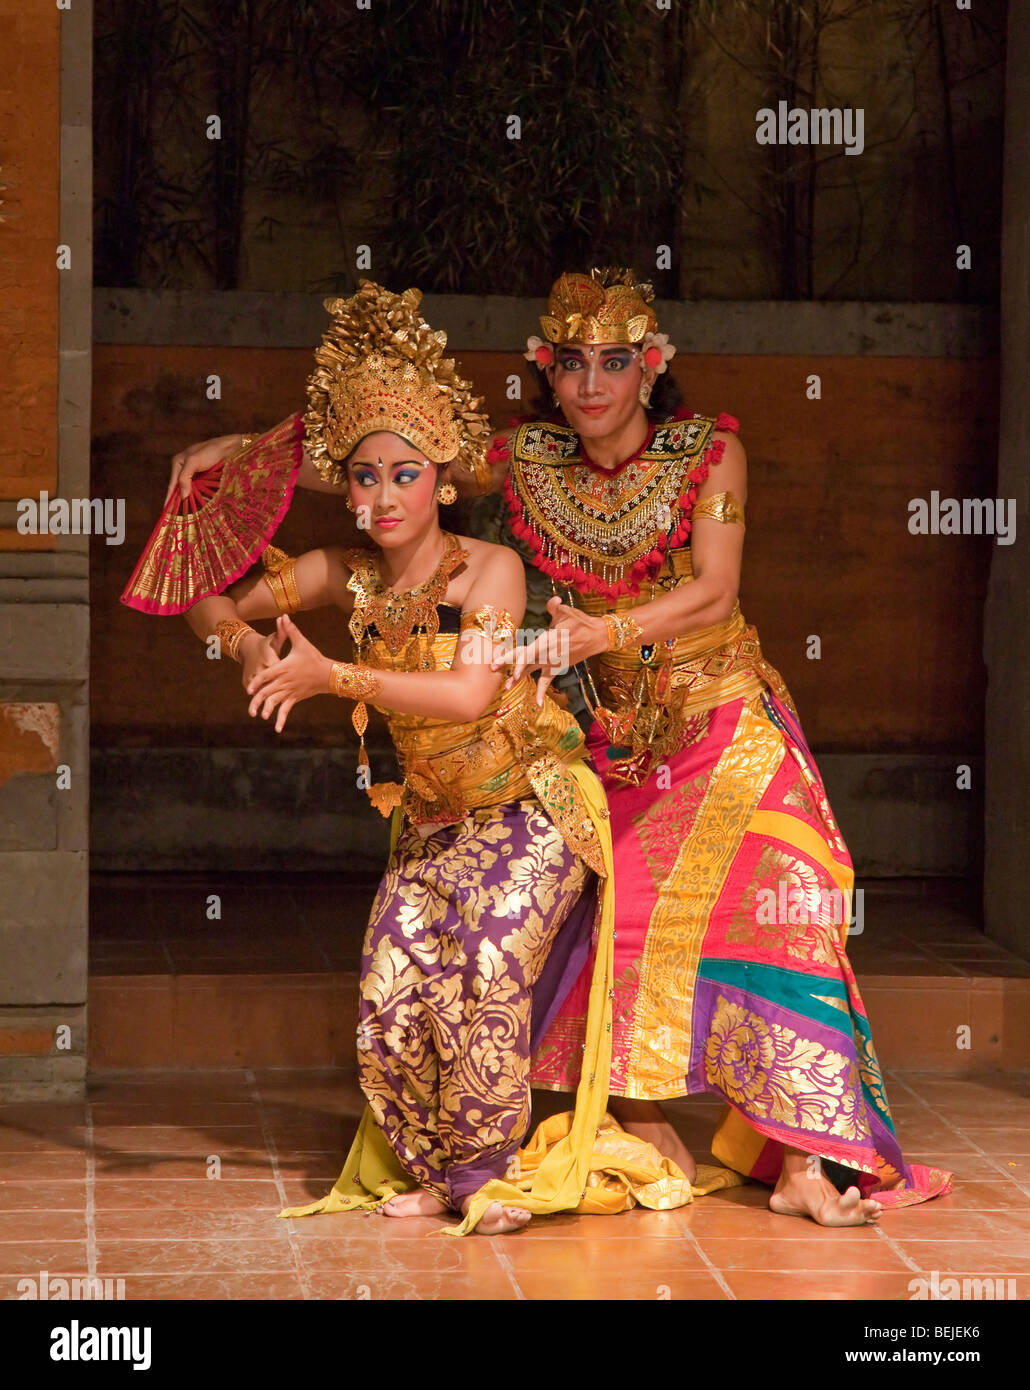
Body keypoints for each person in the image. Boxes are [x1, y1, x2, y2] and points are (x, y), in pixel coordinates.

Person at [165, 270, 952, 1227]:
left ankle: (805, 1166)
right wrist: (239, 451)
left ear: (650, 369)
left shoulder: (713, 455)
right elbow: (396, 458)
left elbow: (711, 590)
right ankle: (634, 1124)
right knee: (612, 935)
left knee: (785, 914)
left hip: (724, 719)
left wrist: (600, 636)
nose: (591, 385)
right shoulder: (531, 460)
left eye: (614, 363)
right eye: (572, 364)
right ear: (550, 370)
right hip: (613, 745)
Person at [127, 282, 626, 1235]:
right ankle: (435, 1170)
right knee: (390, 987)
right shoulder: (341, 575)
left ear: (440, 481)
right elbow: (209, 596)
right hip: (432, 818)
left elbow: (472, 694)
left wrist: (332, 676)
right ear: (346, 491)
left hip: (533, 806)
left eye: (404, 475)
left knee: (481, 964)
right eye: (363, 478)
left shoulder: (488, 569)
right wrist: (246, 647)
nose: (383, 496)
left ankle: (482, 1178)